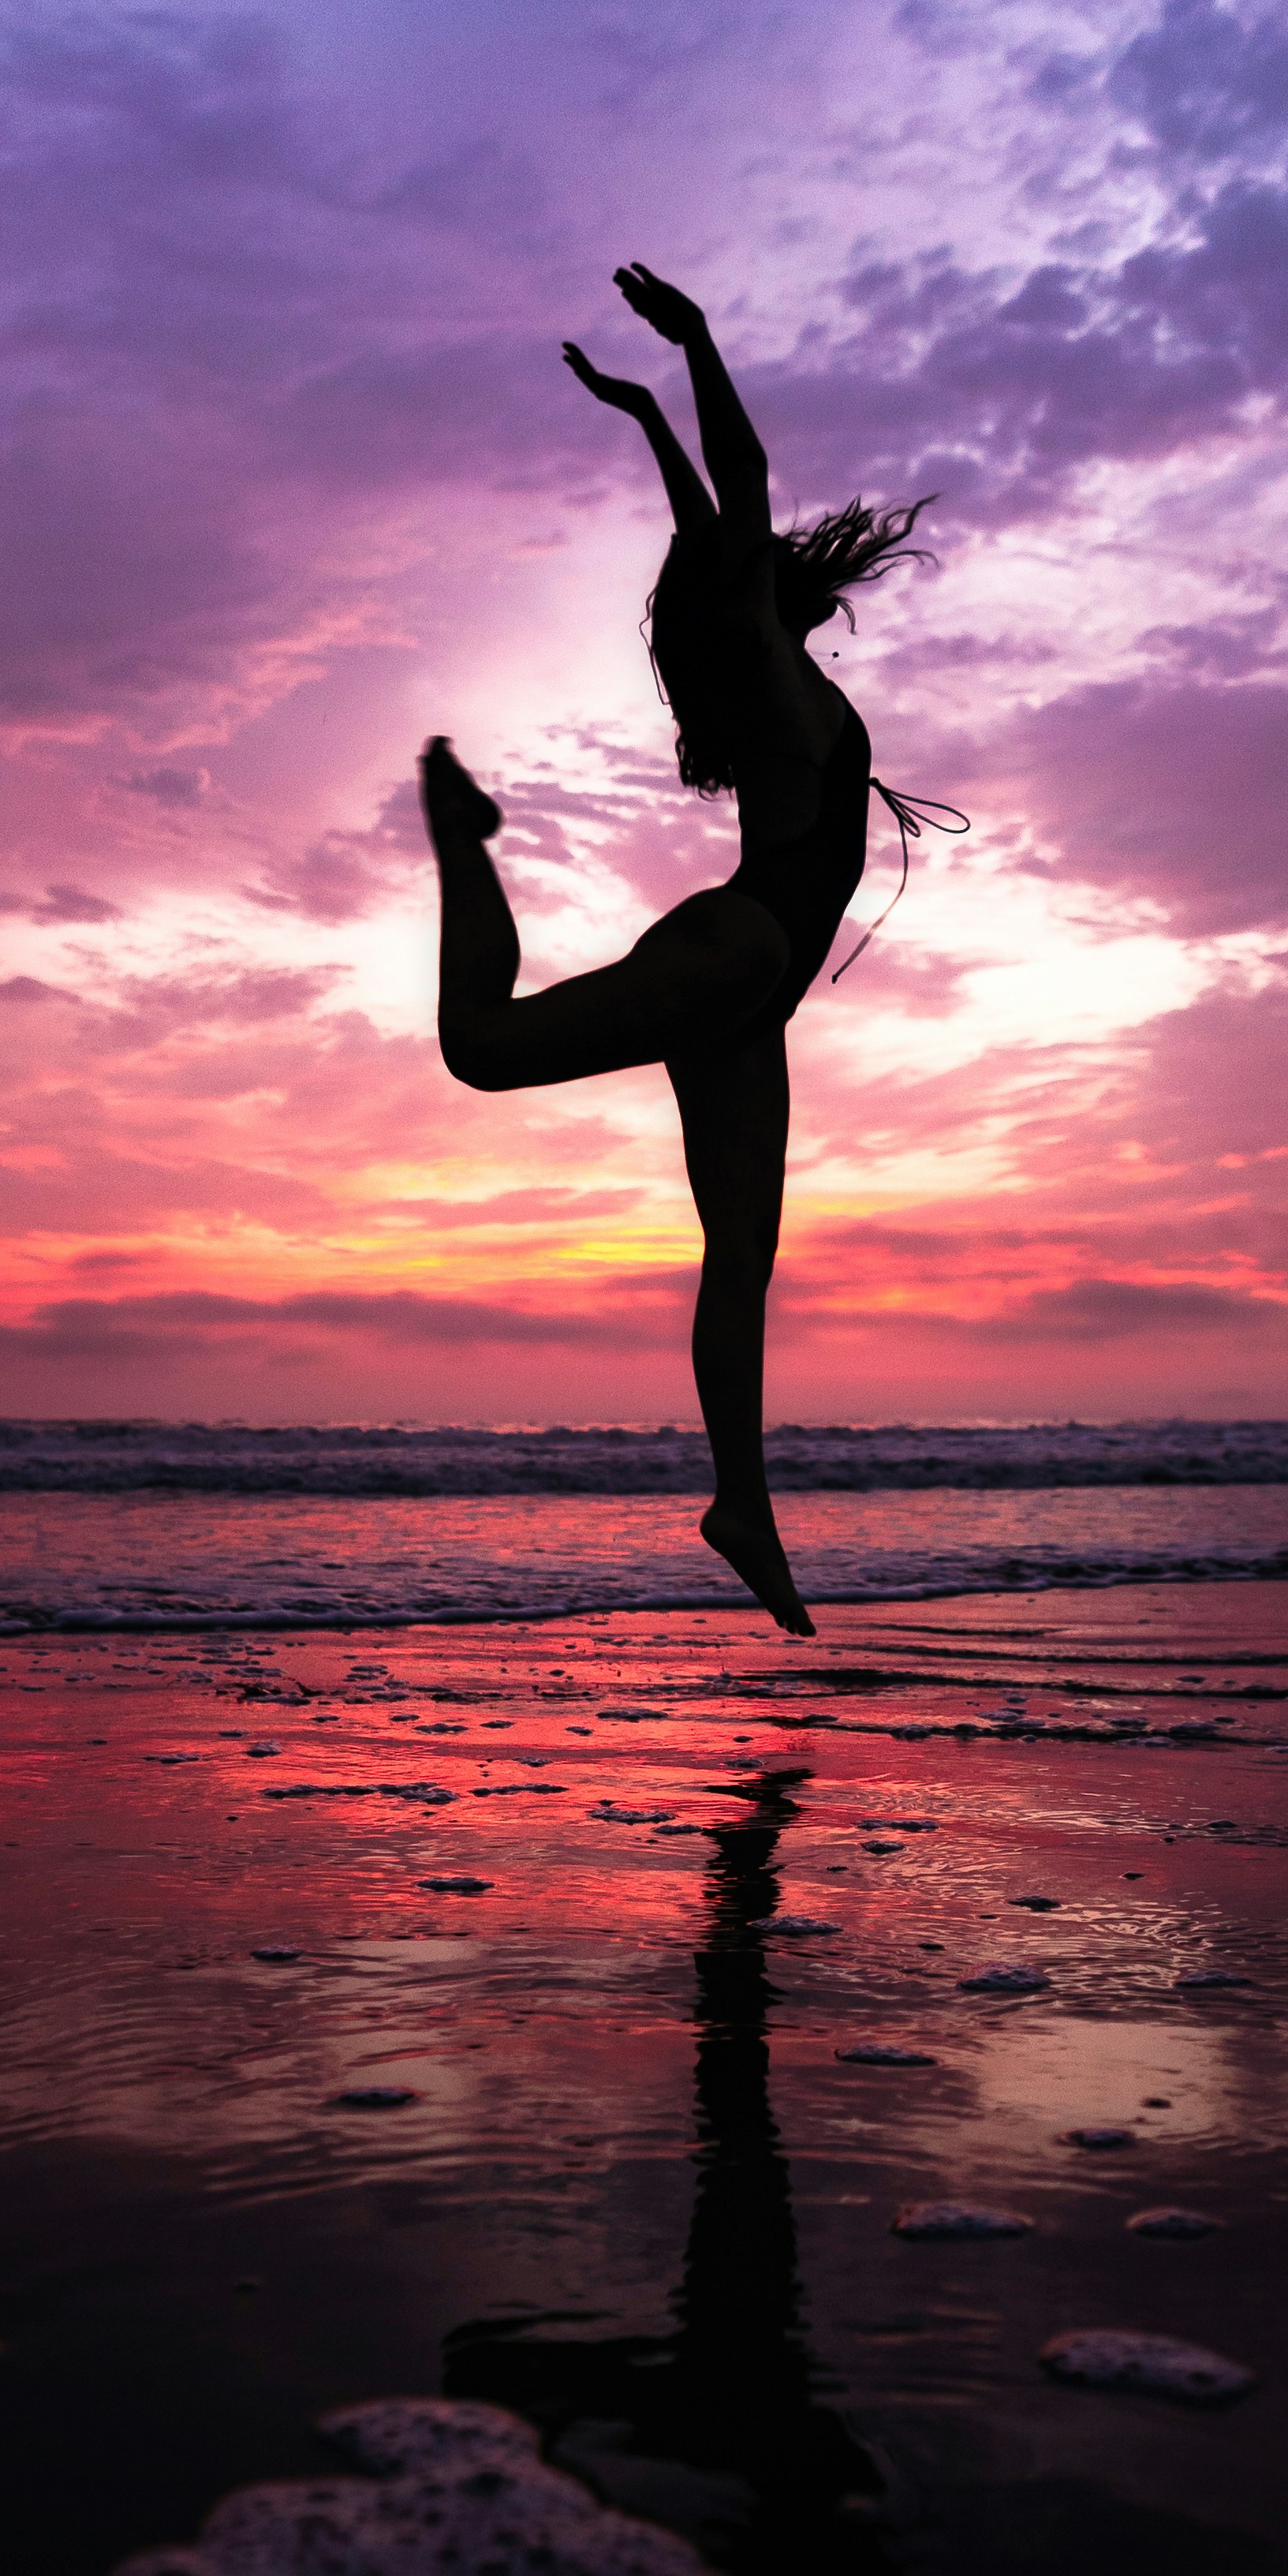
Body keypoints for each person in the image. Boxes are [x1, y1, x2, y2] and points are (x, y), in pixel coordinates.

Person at [419, 262, 937, 1637]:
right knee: (483, 1051)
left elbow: (716, 517)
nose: (775, 554)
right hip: (735, 946)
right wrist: (700, 346)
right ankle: (460, 836)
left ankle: (742, 1505)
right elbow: (743, 482)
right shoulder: (765, 659)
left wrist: (648, 416)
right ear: (761, 596)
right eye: (761, 566)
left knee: (743, 1253)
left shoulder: (773, 663)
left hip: (750, 997)